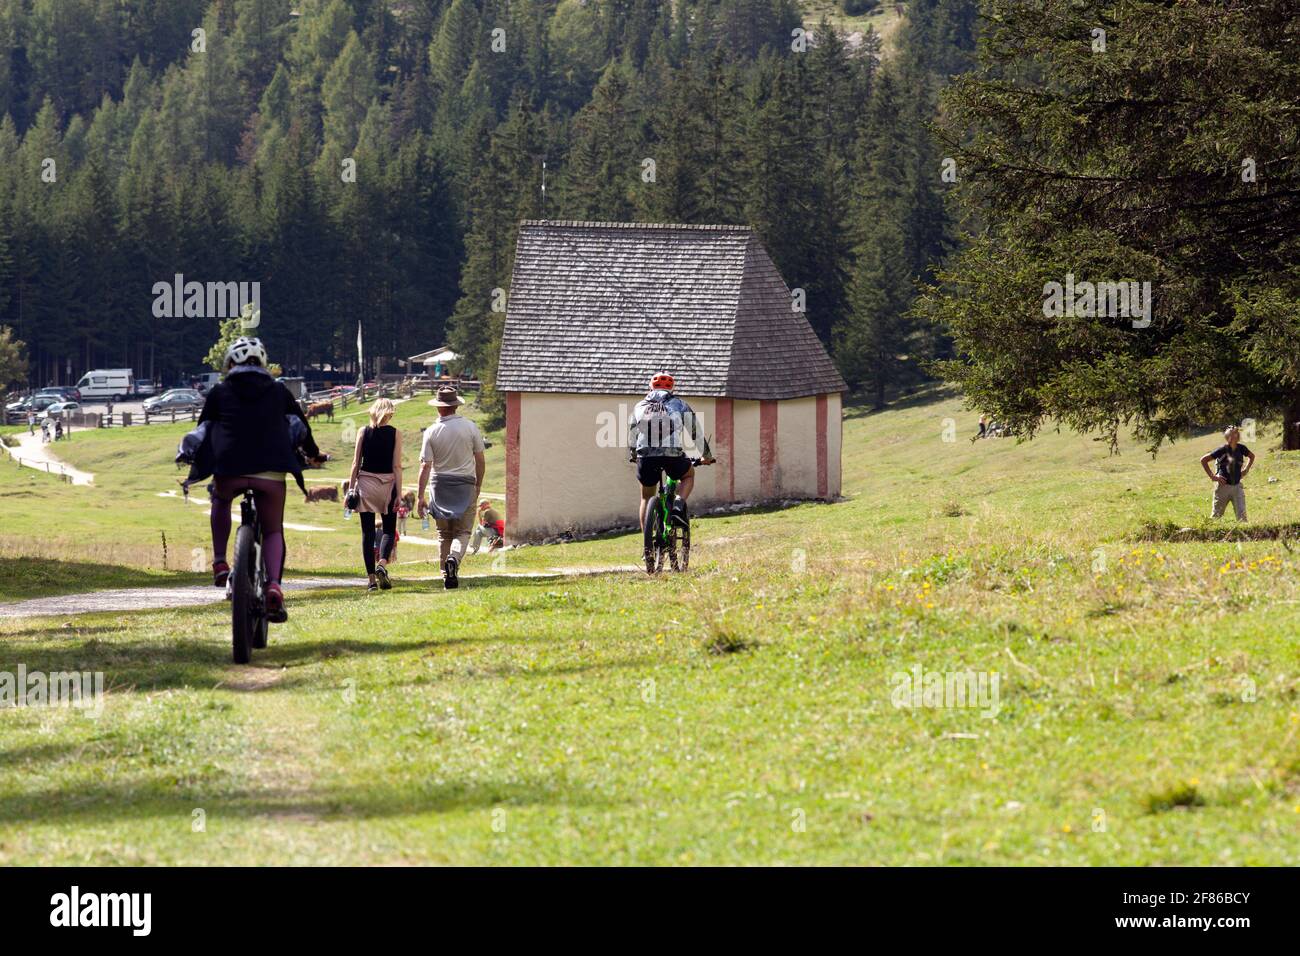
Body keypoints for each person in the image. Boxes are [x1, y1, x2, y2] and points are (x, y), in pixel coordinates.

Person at [189, 337, 322, 621]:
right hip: (271, 472)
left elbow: (204, 430)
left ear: (229, 364)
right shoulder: (280, 392)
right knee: (273, 530)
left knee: (221, 499)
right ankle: (274, 584)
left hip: (229, 470)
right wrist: (314, 454)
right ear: (262, 362)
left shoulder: (219, 392)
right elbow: (302, 429)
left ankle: (220, 562)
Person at [627, 372, 715, 535]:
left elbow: (632, 435)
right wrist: (706, 457)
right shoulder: (679, 404)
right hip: (672, 454)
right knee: (688, 475)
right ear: (672, 388)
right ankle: (678, 504)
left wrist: (633, 455)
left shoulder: (639, 406)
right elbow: (695, 432)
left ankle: (648, 548)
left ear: (650, 387)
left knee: (646, 498)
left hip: (645, 456)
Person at [417, 385, 486, 589]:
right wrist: (478, 484)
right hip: (465, 484)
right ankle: (454, 560)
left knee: (444, 534)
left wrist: (420, 496)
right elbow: (480, 460)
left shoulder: (431, 431)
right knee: (463, 532)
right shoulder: (470, 427)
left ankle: (445, 575)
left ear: (439, 408)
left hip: (439, 486)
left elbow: (425, 465)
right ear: (456, 405)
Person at [348, 398, 402, 592]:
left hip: (366, 485)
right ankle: (382, 565)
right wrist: (400, 494)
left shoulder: (363, 431)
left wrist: (351, 488)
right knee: (388, 529)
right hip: (388, 485)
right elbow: (397, 466)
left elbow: (356, 463)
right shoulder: (396, 433)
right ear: (389, 413)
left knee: (367, 532)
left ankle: (371, 580)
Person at [1201, 425, 1254, 521]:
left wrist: (1246, 470)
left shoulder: (1242, 448)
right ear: (1227, 438)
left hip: (1237, 487)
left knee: (1242, 518)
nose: (1236, 436)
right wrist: (1213, 477)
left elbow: (1252, 456)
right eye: (1233, 435)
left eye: (1237, 434)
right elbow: (1204, 460)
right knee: (1216, 517)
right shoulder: (1222, 449)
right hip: (1222, 487)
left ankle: (1243, 535)